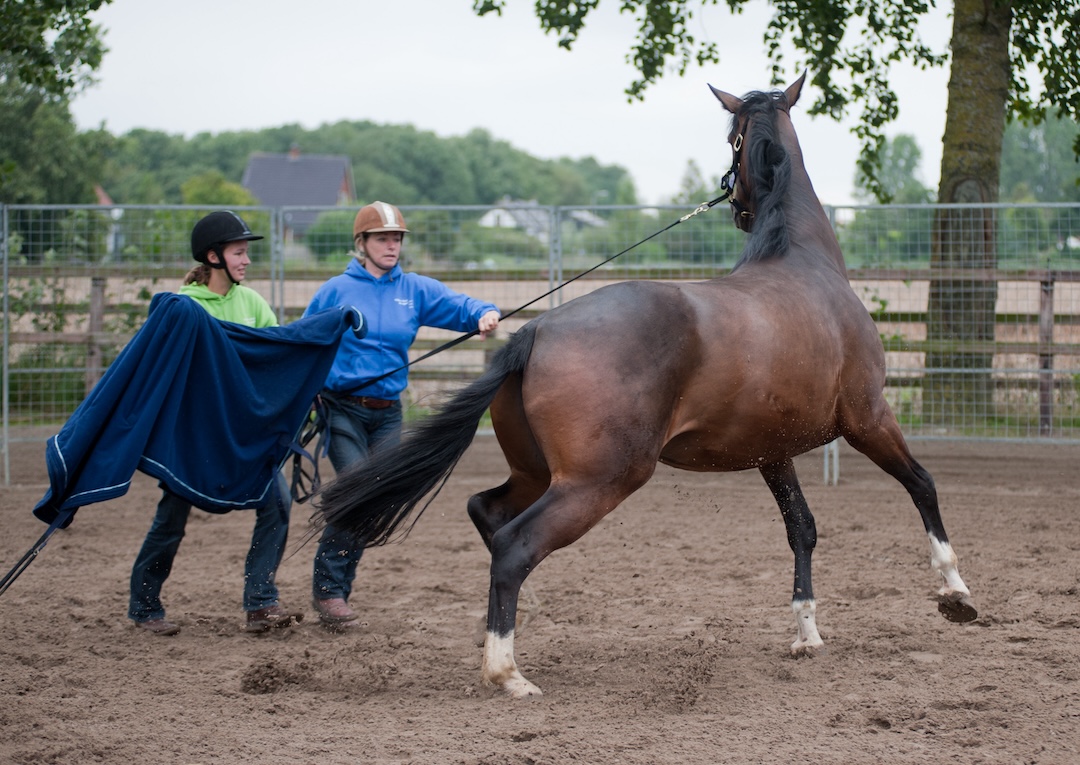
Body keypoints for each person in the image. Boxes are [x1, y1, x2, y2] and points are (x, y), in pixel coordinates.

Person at [305, 201, 500, 630]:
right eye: (382, 238)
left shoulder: (413, 290)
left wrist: (484, 313)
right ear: (362, 243)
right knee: (357, 488)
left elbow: (460, 305)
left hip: (388, 413)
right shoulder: (336, 290)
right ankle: (329, 590)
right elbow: (304, 341)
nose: (391, 245)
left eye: (396, 238)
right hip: (340, 409)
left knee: (374, 496)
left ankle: (337, 591)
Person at [128, 211, 304, 636]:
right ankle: (145, 606)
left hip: (244, 436)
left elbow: (275, 359)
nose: (246, 260)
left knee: (278, 506)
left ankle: (260, 604)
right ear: (213, 256)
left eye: (246, 253)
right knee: (171, 519)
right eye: (238, 252)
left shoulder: (253, 304)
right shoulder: (184, 309)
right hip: (196, 438)